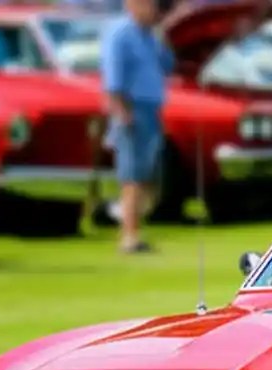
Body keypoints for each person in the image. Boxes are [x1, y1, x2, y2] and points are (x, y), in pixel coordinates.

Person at [101, 0, 174, 254]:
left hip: (150, 109)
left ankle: (135, 228)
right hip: (131, 110)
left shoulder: (150, 36)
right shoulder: (120, 33)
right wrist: (122, 112)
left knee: (146, 175)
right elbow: (113, 78)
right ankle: (129, 235)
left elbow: (167, 65)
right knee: (132, 175)